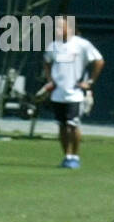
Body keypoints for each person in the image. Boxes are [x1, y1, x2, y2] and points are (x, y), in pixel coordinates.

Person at [42, 15, 104, 168]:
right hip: (58, 94)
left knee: (73, 125)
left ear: (69, 28)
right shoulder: (53, 46)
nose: (56, 30)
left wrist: (89, 82)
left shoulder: (82, 45)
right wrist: (50, 80)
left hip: (75, 93)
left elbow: (99, 60)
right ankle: (67, 156)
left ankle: (75, 156)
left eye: (59, 27)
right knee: (62, 126)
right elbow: (47, 62)